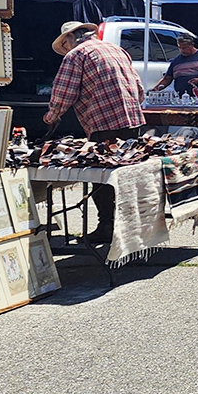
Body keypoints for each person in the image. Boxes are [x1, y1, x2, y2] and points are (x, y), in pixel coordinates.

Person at [44, 21, 146, 243]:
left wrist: (51, 117)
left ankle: (107, 226)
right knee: (126, 175)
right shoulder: (116, 49)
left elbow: (63, 92)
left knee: (103, 177)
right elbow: (139, 89)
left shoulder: (77, 55)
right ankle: (129, 225)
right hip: (132, 119)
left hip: (104, 122)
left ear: (70, 39)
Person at [151, 33, 198, 97]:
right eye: (179, 48)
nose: (182, 50)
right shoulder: (176, 61)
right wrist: (155, 89)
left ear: (192, 45)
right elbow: (167, 78)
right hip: (182, 97)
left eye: (184, 48)